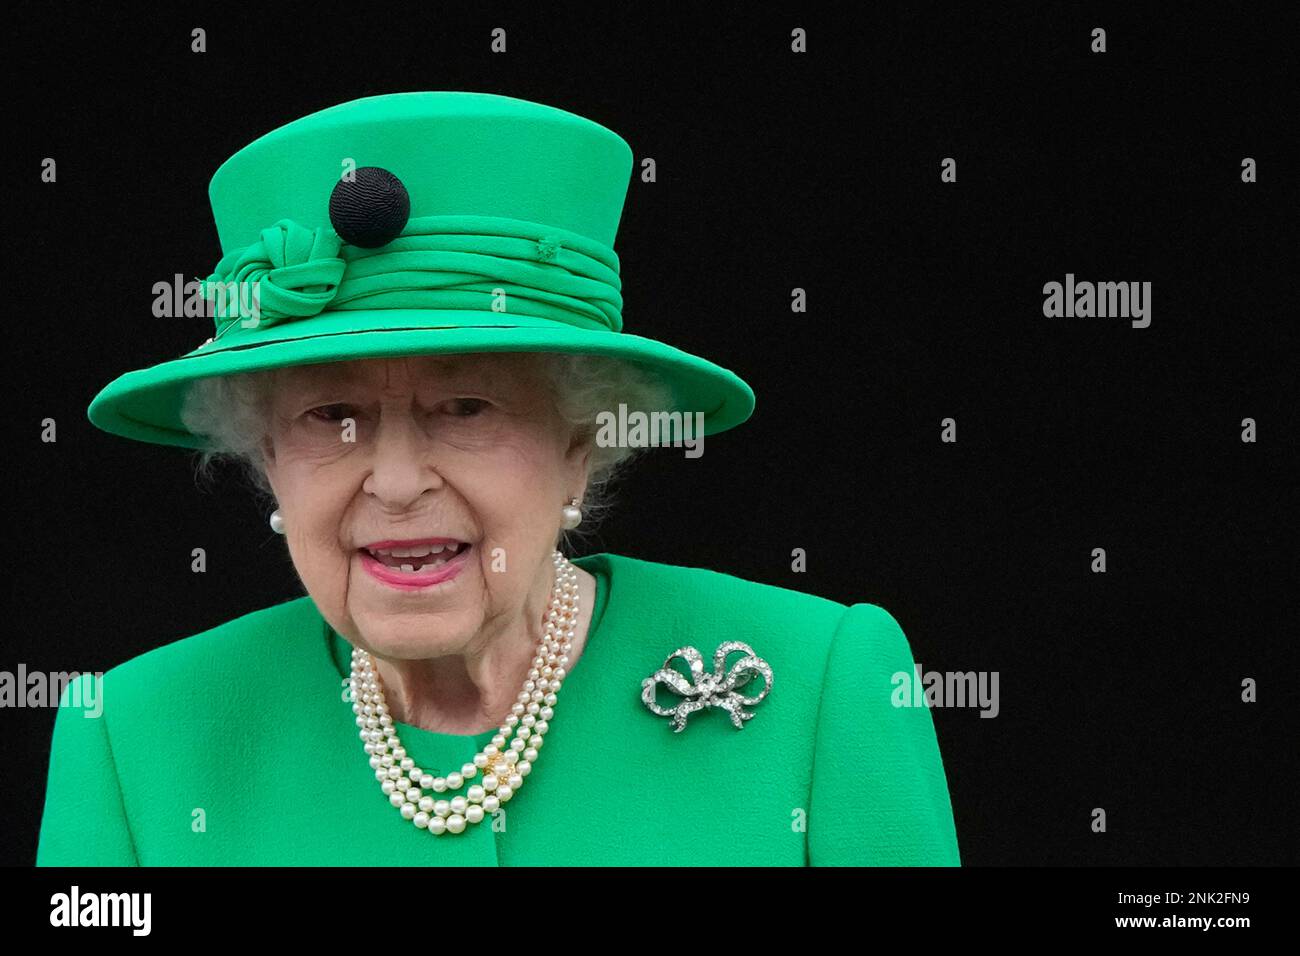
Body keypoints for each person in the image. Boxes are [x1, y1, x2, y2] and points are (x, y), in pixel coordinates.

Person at [36, 91, 960, 866]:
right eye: (330, 416)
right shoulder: (133, 739)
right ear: (267, 459)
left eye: (466, 407)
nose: (395, 482)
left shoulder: (819, 689)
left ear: (579, 443)